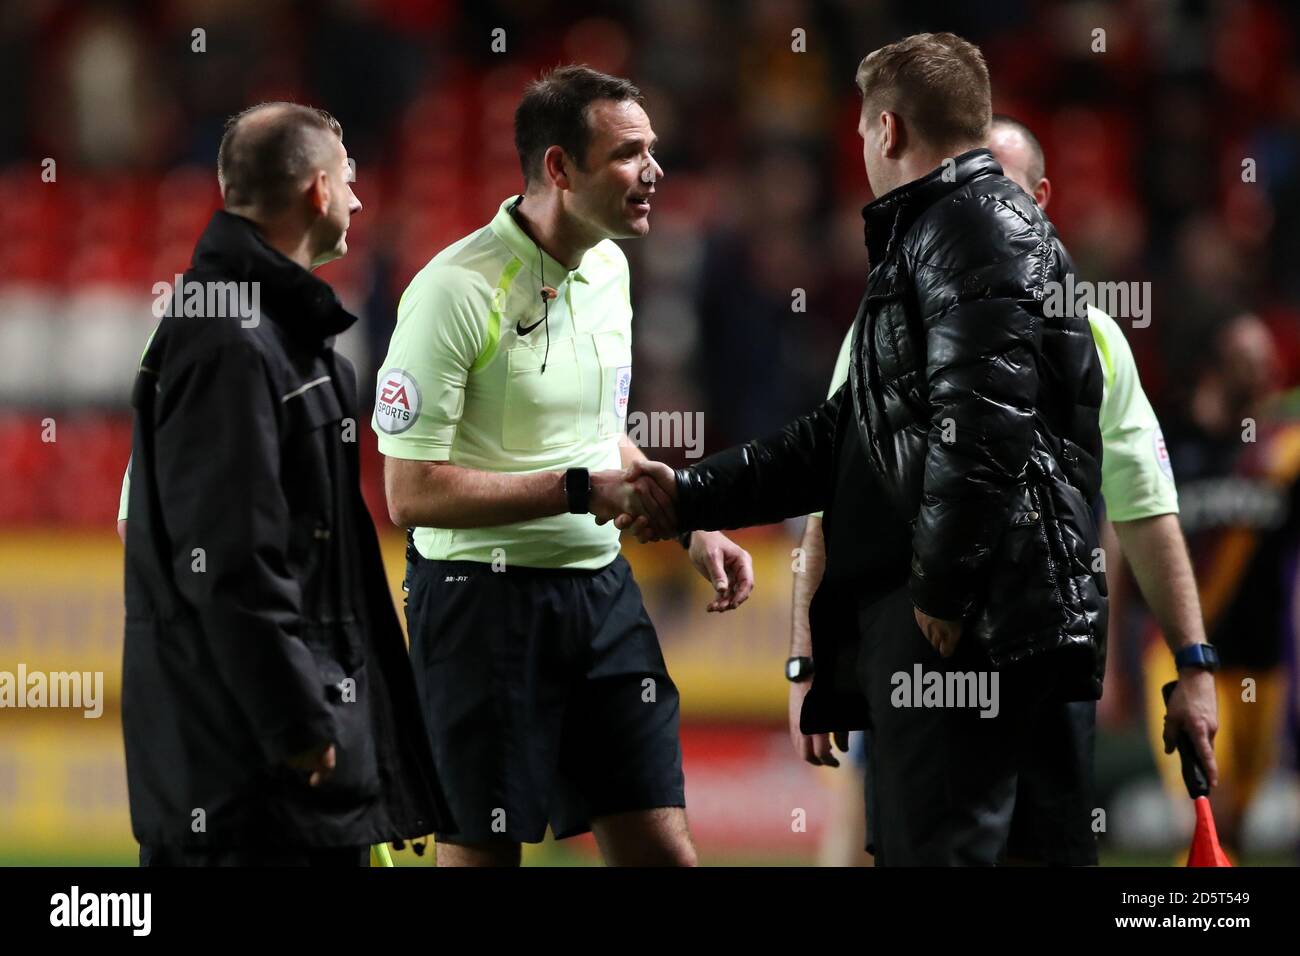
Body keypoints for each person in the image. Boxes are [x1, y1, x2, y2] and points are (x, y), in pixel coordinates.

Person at [618, 33, 1108, 866]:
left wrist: (945, 593)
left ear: (887, 132)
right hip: (987, 614)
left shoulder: (969, 231)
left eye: (858, 132)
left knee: (942, 852)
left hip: (974, 626)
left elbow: (983, 424)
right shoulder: (942, 237)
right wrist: (689, 497)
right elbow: (842, 441)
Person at [791, 114, 1220, 866]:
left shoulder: (1095, 339)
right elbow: (833, 511)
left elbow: (1146, 511)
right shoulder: (883, 331)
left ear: (1042, 199)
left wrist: (1193, 664)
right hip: (927, 673)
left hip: (1047, 676)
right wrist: (810, 663)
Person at [373, 66, 753, 867]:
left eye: (652, 150)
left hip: (600, 594)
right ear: (558, 168)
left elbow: (598, 434)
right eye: (626, 154)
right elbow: (409, 494)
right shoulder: (452, 290)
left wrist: (683, 516)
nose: (653, 170)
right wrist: (581, 492)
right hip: (479, 607)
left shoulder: (610, 269)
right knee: (483, 858)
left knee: (663, 854)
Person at [122, 102, 450, 866]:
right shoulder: (232, 343)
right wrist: (298, 723)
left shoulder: (283, 341)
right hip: (253, 785)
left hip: (290, 779)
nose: (360, 201)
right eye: (349, 181)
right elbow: (233, 559)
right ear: (315, 191)